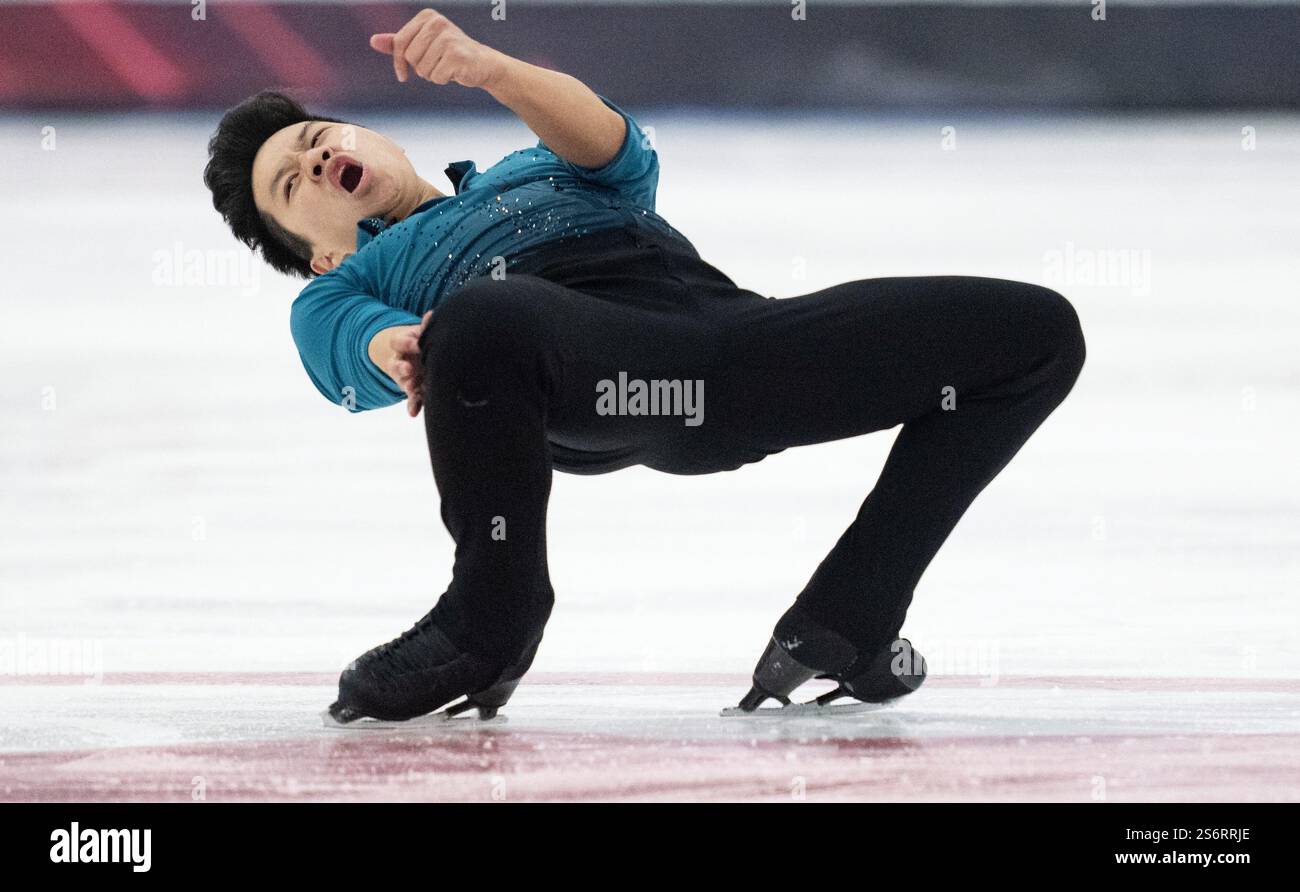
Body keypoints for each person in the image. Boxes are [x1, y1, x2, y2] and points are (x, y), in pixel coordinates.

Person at [203, 10, 1085, 723]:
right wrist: (396, 343)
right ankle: (489, 618)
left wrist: (488, 69)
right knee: (480, 318)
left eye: (318, 138)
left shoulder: (537, 165)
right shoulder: (347, 285)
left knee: (1035, 334)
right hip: (601, 376)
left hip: (741, 356)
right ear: (316, 252)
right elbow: (337, 342)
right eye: (292, 186)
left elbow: (610, 144)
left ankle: (850, 619)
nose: (317, 160)